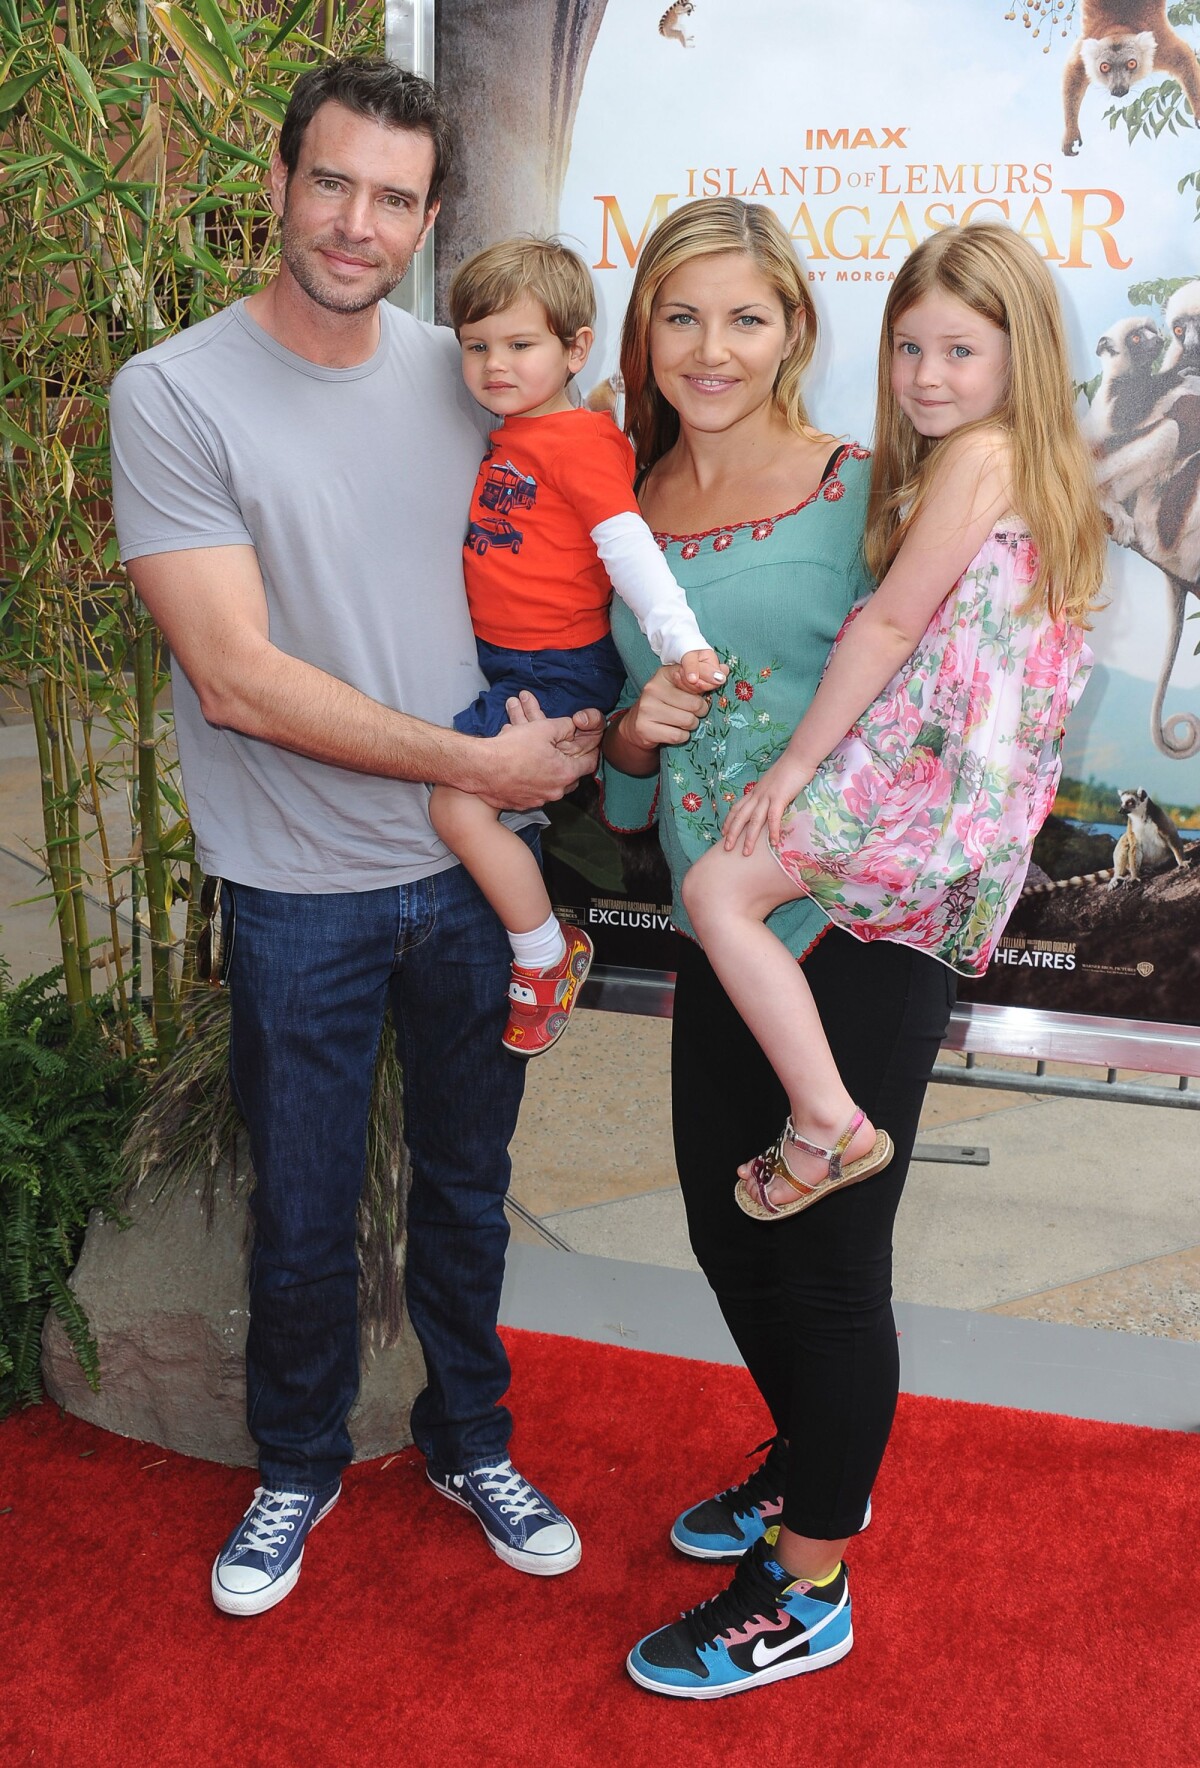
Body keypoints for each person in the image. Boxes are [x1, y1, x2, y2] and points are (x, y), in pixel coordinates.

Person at [109, 58, 600, 1617]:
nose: (357, 222)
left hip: (470, 880)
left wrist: (599, 727)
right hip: (297, 886)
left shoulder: (466, 374)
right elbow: (237, 679)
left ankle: (470, 1438)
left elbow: (573, 564)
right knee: (306, 1208)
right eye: (332, 183)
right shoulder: (170, 393)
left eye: (395, 198)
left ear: (432, 218)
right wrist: (483, 763)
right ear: (278, 184)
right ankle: (297, 1464)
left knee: (469, 1186)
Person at [593, 196, 958, 1700]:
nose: (712, 348)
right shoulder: (621, 498)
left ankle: (810, 1584)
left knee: (827, 1254)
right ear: (645, 336)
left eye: (745, 316)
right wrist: (633, 728)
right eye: (681, 316)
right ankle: (812, 1460)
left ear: (798, 328)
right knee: (723, 1221)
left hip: (857, 915)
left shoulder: (868, 485)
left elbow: (951, 695)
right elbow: (624, 788)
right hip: (716, 919)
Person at [682, 223, 1105, 1223]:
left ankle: (828, 1122)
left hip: (918, 776)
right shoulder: (1034, 463)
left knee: (715, 889)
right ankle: (825, 1116)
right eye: (909, 347)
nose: (925, 377)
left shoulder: (983, 456)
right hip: (968, 792)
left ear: (1020, 355)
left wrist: (791, 767)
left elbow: (889, 625)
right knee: (736, 899)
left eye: (961, 352)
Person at [431, 236, 722, 1057]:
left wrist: (682, 642)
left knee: (457, 803)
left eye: (520, 345)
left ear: (574, 349)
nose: (495, 365)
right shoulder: (512, 431)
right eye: (477, 346)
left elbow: (629, 550)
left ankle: (544, 957)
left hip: (554, 667)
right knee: (466, 803)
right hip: (509, 659)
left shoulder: (581, 441)